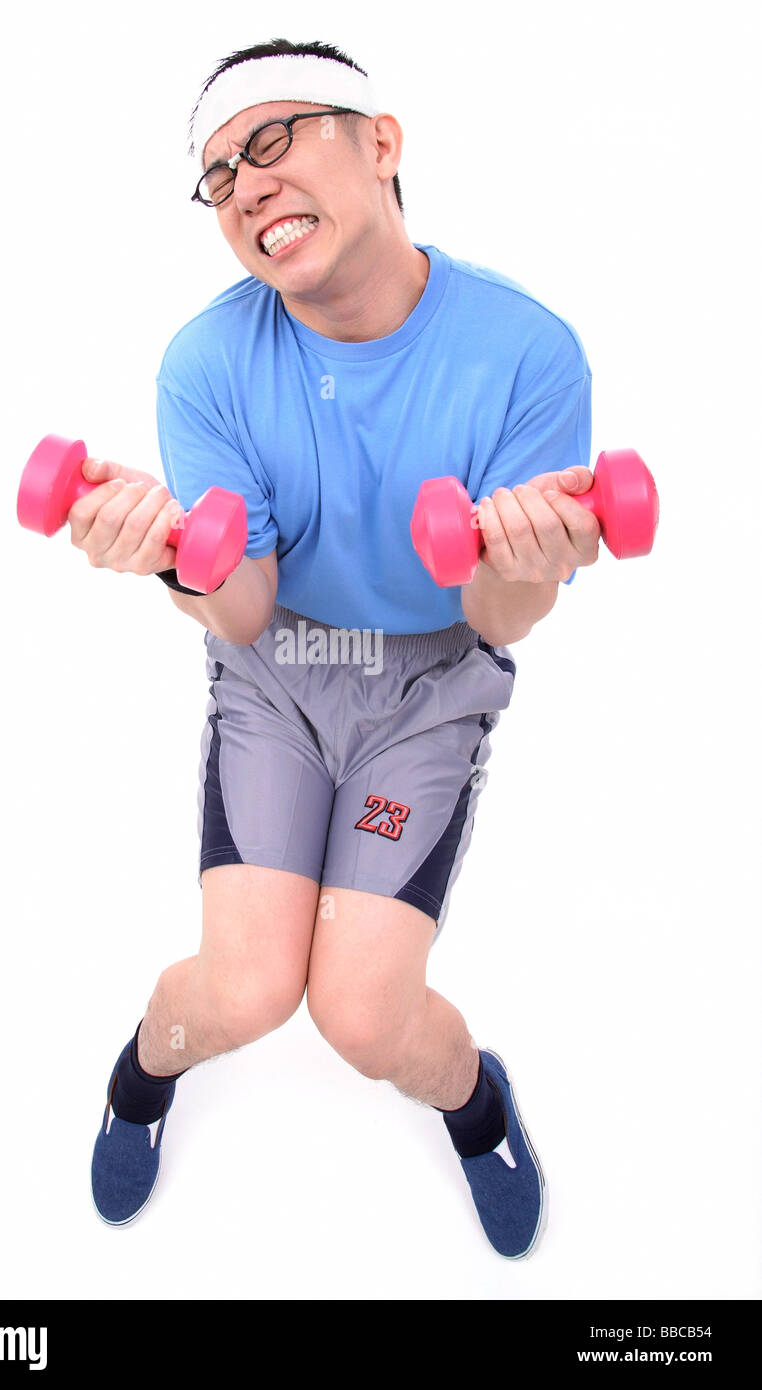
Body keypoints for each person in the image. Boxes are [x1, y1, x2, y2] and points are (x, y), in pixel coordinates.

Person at [71, 38, 600, 1260]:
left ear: (380, 143)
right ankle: (143, 1077)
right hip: (278, 675)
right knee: (246, 990)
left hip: (428, 681)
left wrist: (512, 563)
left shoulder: (528, 353)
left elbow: (500, 622)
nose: (245, 186)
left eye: (272, 140)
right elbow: (240, 609)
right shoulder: (206, 362)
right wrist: (168, 555)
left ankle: (475, 1105)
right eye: (217, 176)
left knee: (364, 1017)